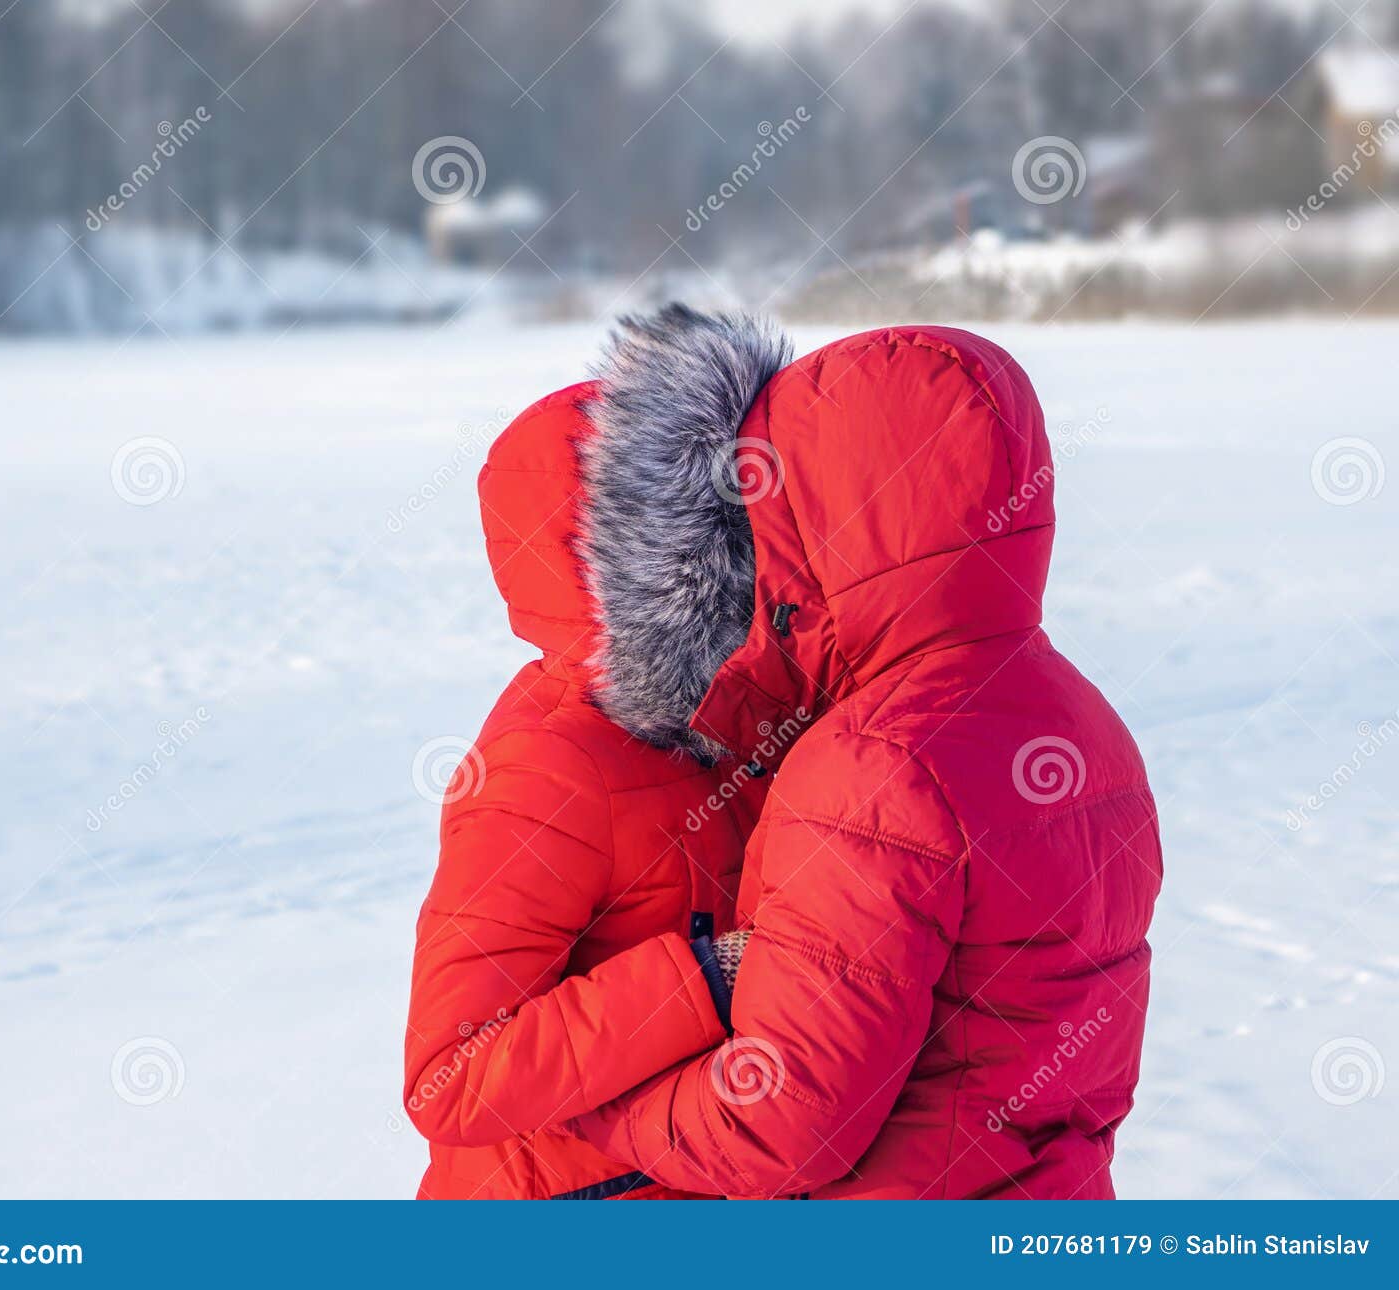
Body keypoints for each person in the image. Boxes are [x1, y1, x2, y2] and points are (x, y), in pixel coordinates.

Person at [561, 305, 1163, 1199]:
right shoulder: (1082, 720)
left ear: (831, 516)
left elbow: (780, 1125)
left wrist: (595, 1113)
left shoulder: (874, 765)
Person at [402, 371, 778, 1199]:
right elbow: (452, 1078)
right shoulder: (549, 770)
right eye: (708, 529)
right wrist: (710, 977)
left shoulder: (749, 715)